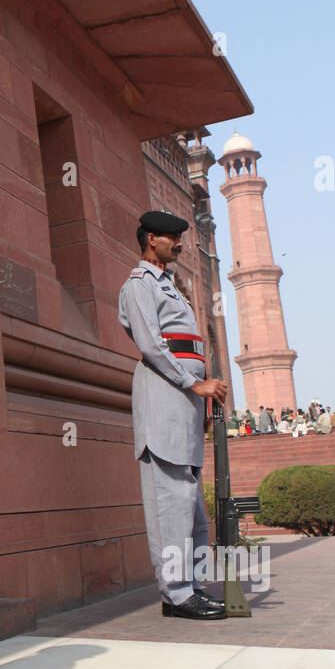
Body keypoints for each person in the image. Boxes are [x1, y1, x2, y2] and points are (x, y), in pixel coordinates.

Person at [118, 211, 228, 620]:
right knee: (170, 502)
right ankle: (176, 593)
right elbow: (150, 344)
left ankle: (192, 585)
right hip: (164, 398)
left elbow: (189, 344)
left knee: (189, 502)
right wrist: (194, 384)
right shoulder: (138, 285)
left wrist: (199, 397)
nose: (180, 244)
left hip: (183, 402)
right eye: (172, 238)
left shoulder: (172, 286)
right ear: (151, 239)